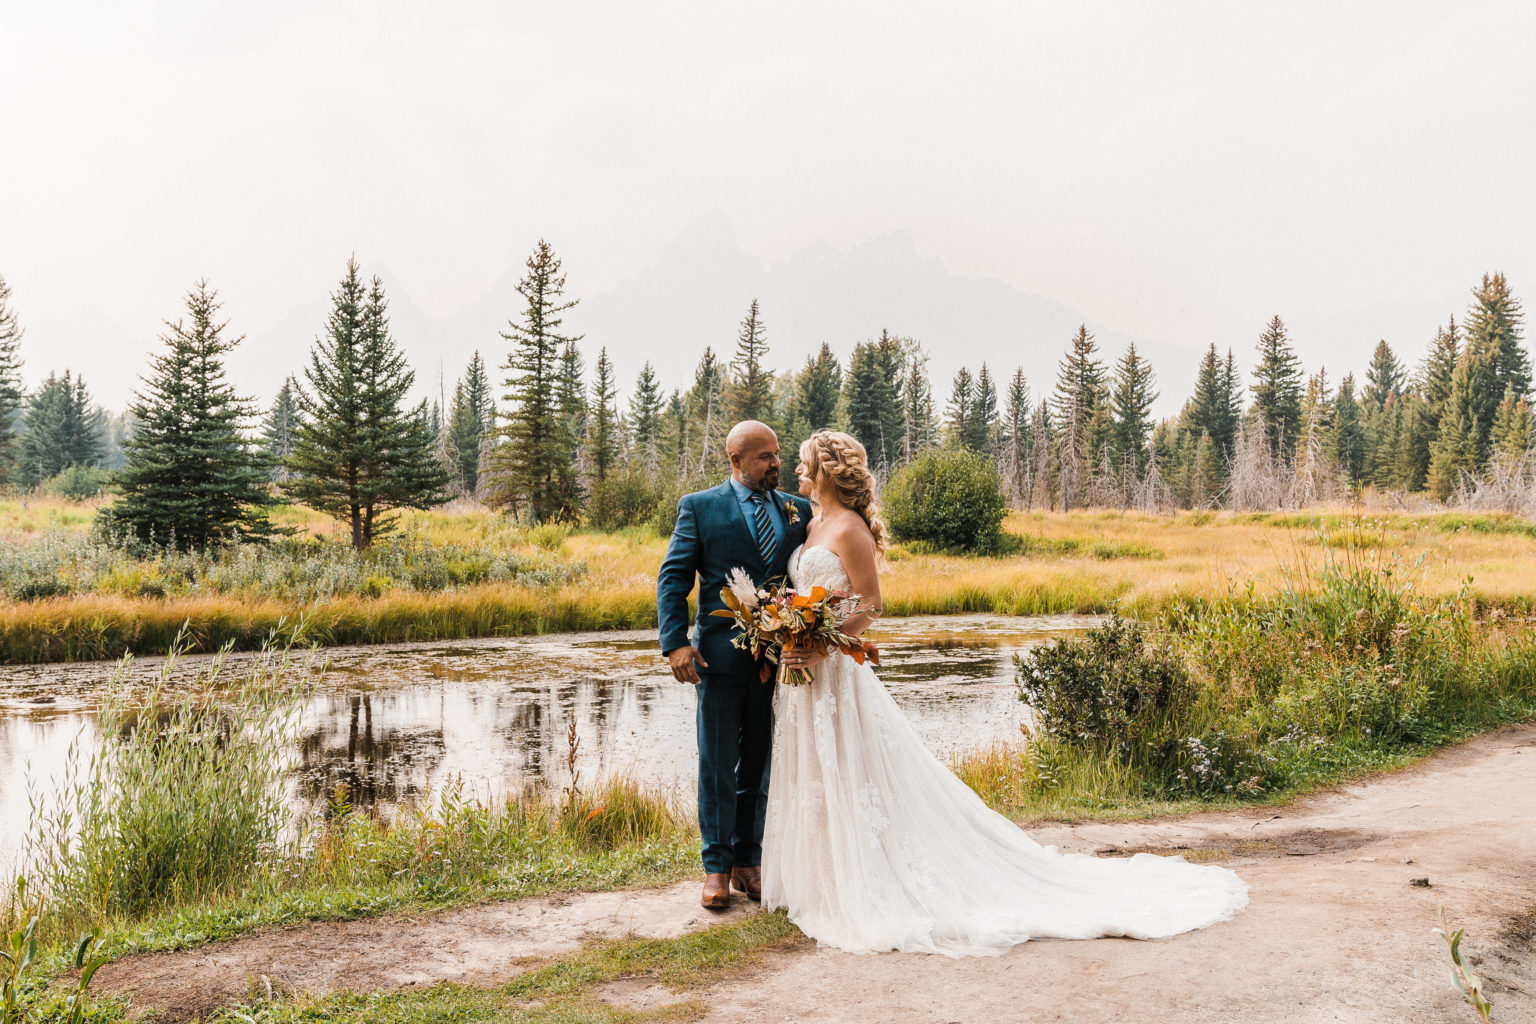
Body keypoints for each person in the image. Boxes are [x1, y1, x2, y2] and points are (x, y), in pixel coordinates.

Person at [763, 429, 1249, 956]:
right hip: (806, 674)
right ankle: (826, 879)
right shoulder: (812, 524)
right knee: (818, 770)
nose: (797, 471)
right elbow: (817, 594)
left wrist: (824, 646)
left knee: (855, 770)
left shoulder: (850, 529)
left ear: (827, 469)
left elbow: (872, 603)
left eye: (806, 463)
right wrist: (791, 624)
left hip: (834, 672)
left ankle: (871, 880)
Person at [656, 420, 814, 909]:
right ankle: (716, 870)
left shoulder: (799, 509)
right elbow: (673, 577)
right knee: (717, 765)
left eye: (777, 454)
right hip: (718, 661)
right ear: (736, 461)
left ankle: (750, 862)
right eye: (764, 456)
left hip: (782, 661)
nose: (775, 463)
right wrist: (675, 643)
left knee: (763, 765)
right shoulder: (700, 507)